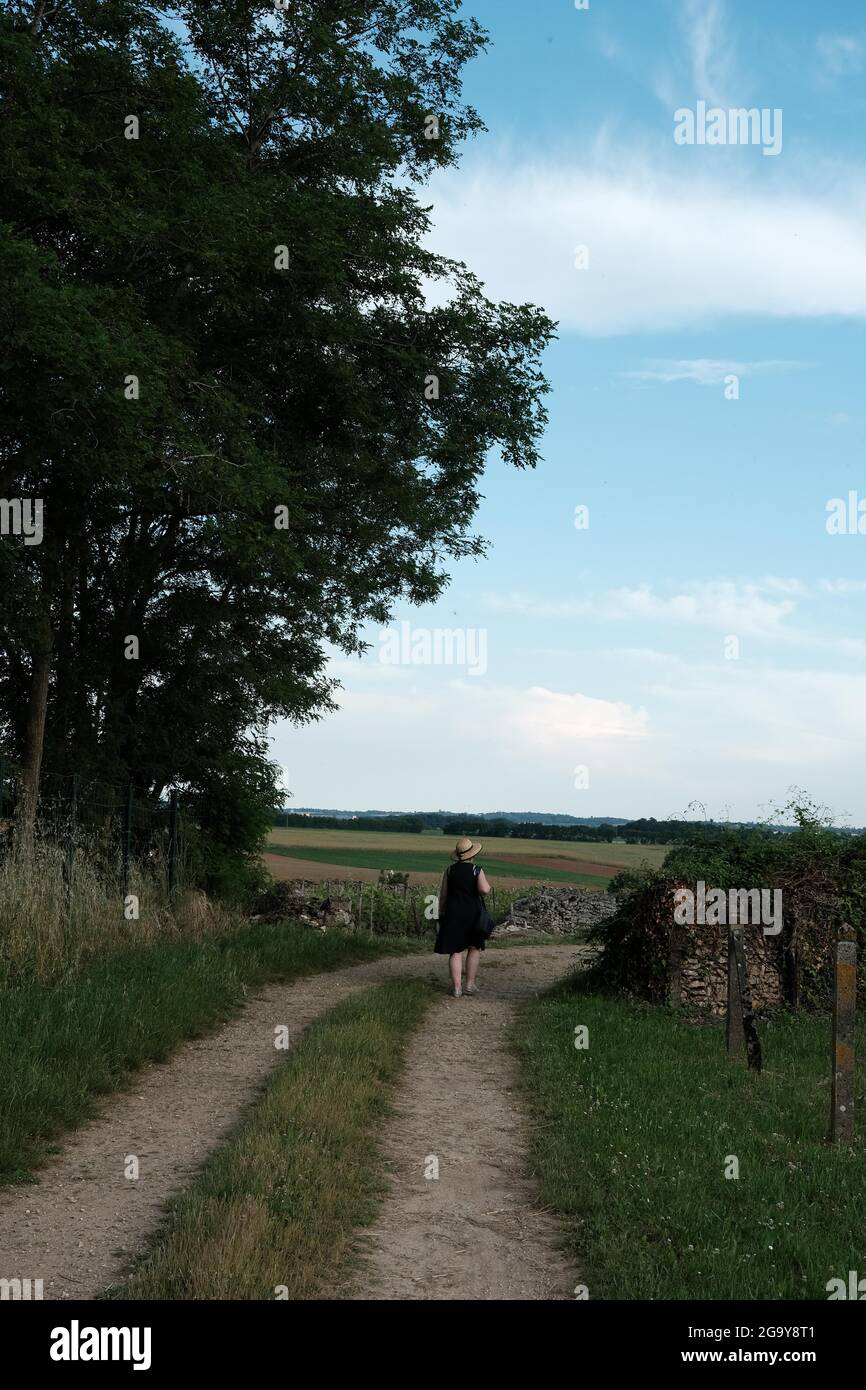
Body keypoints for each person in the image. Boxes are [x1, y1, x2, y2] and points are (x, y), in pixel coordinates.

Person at [434, 837, 492, 998]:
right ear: (472, 854)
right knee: (474, 948)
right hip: (473, 914)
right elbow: (484, 890)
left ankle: (457, 988)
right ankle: (470, 985)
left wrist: (441, 913)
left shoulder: (450, 870)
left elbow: (444, 894)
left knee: (455, 951)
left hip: (453, 914)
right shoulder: (476, 870)